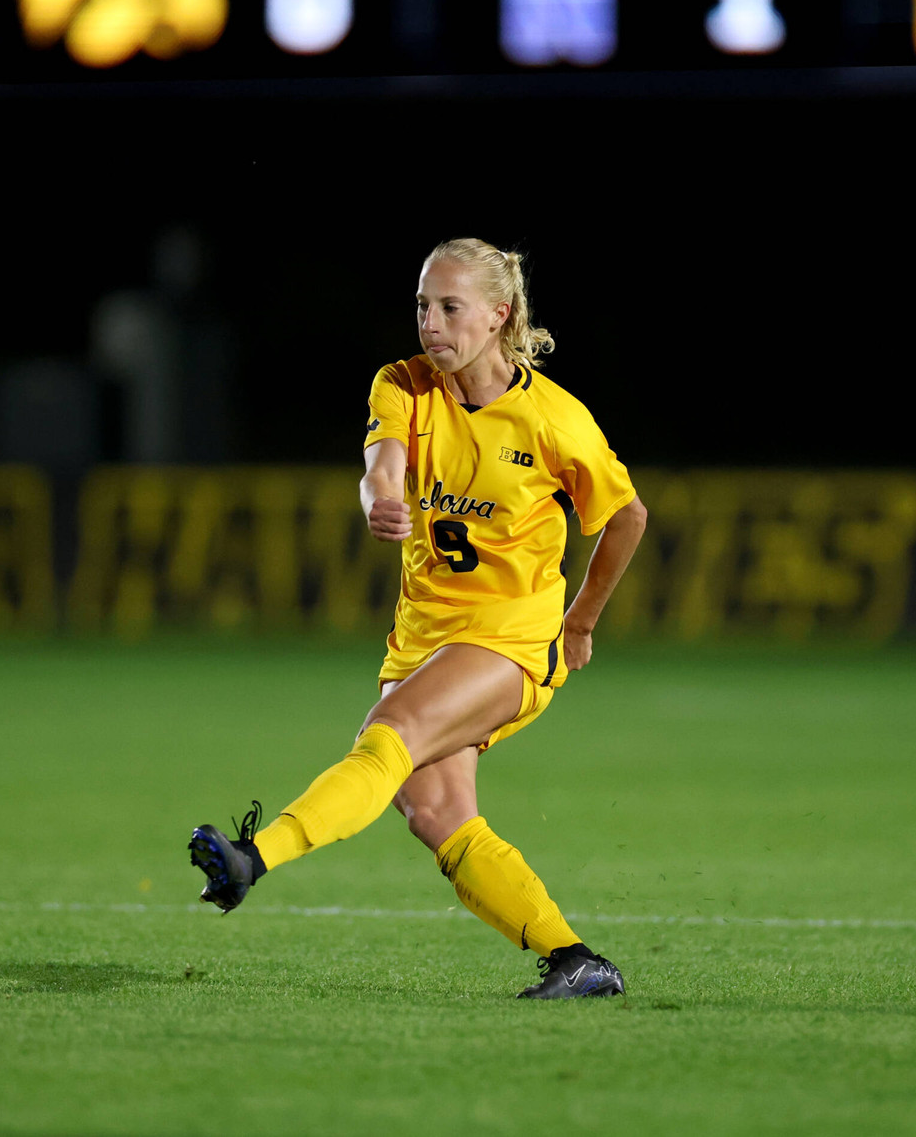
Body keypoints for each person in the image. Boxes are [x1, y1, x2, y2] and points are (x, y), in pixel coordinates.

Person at [188, 237, 648, 999]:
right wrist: (382, 506)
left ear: (499, 315)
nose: (430, 324)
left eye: (449, 307)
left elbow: (625, 516)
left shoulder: (555, 421)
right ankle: (576, 959)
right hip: (423, 640)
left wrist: (579, 623)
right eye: (422, 306)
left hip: (510, 636)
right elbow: (381, 470)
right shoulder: (402, 384)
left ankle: (252, 859)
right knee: (435, 812)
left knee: (389, 736)